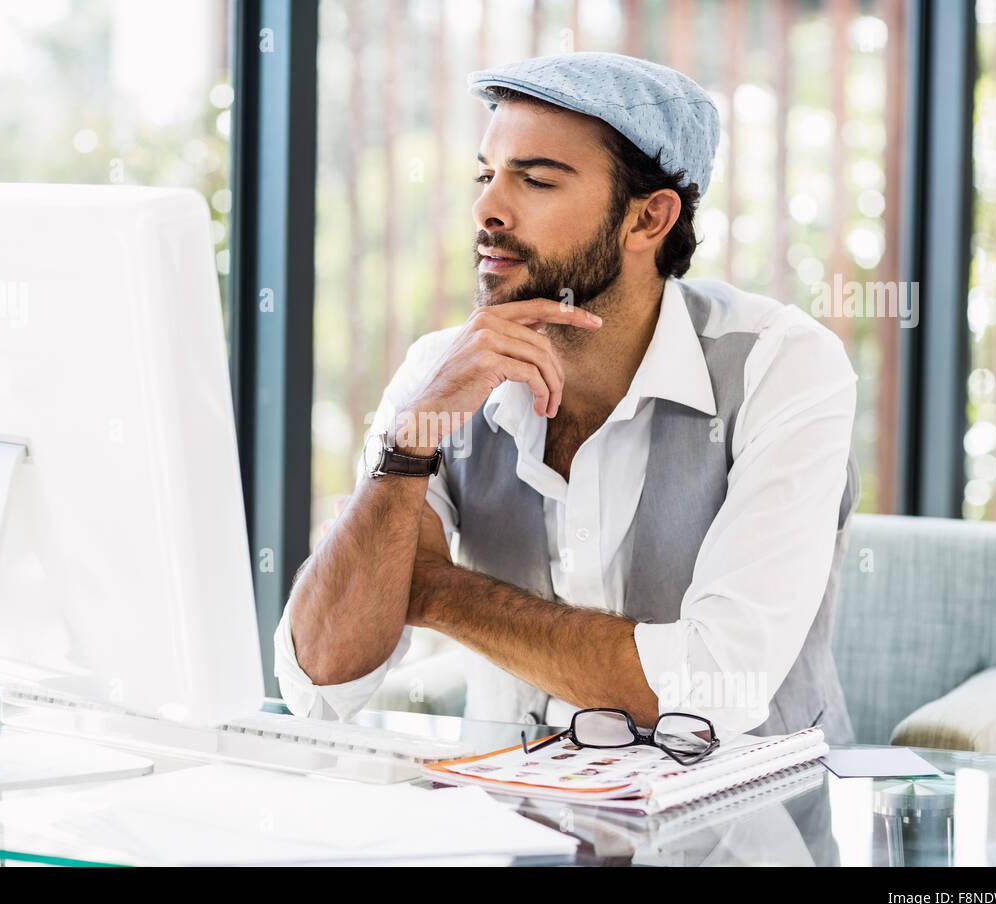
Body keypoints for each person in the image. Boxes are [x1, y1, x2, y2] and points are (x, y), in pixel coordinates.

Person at [274, 51, 860, 744]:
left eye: (537, 181)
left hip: (741, 839)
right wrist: (406, 448)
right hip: (510, 833)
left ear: (648, 220)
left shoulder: (781, 365)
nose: (487, 208)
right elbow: (318, 685)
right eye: (486, 175)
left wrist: (432, 590)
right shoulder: (440, 378)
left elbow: (711, 689)